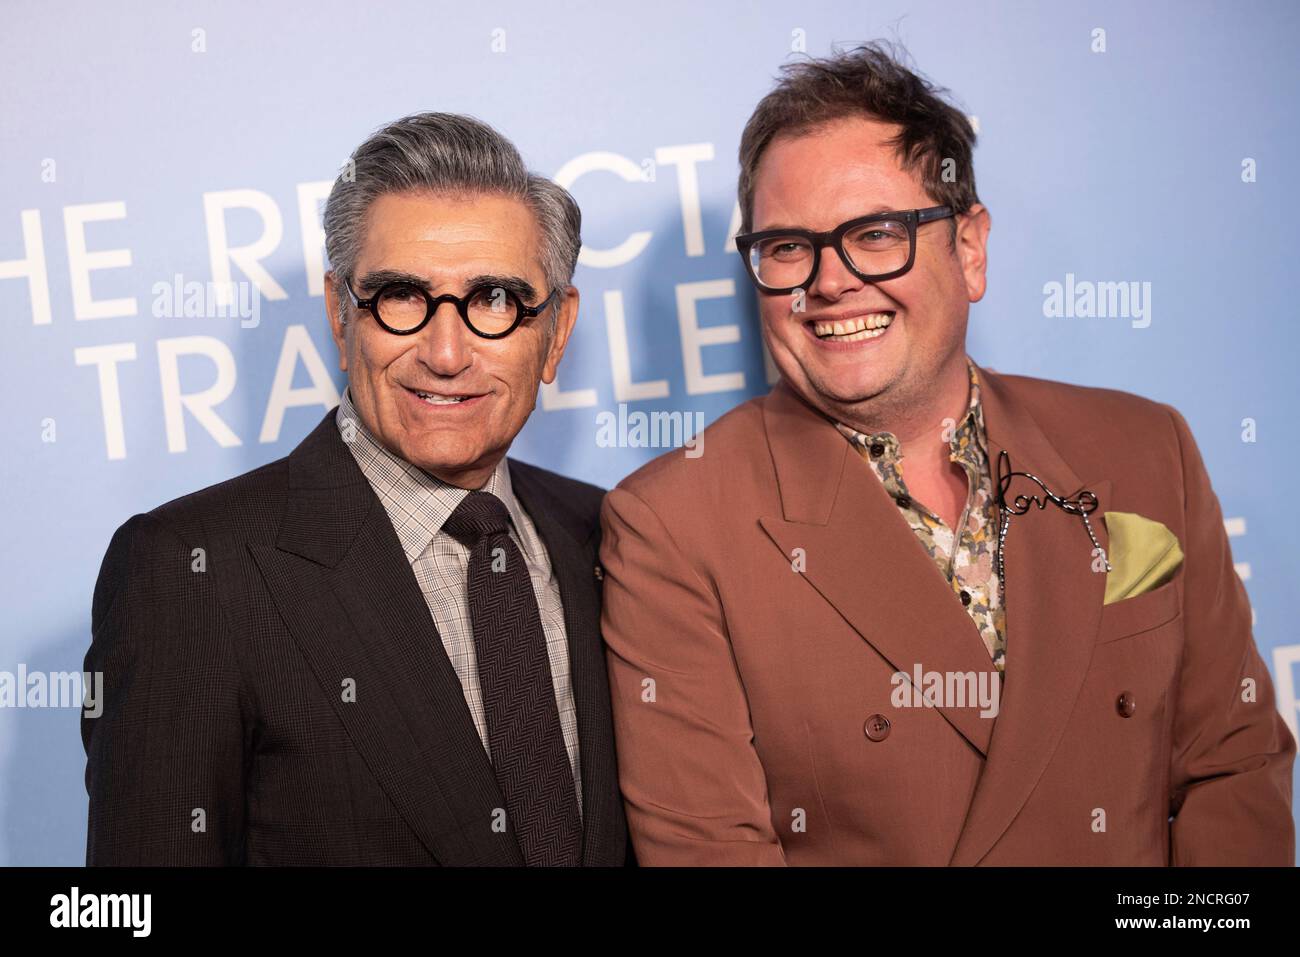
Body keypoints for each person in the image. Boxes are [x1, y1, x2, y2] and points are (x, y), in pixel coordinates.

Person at [598, 43, 1295, 865]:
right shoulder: (674, 524)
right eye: (789, 246)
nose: (830, 282)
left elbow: (1233, 766)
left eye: (877, 233)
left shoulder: (1147, 450)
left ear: (970, 250)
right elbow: (711, 851)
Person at [83, 112, 628, 866]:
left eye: (495, 299)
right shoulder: (192, 571)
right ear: (342, 317)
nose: (445, 352)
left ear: (556, 332)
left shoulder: (613, 535)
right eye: (402, 296)